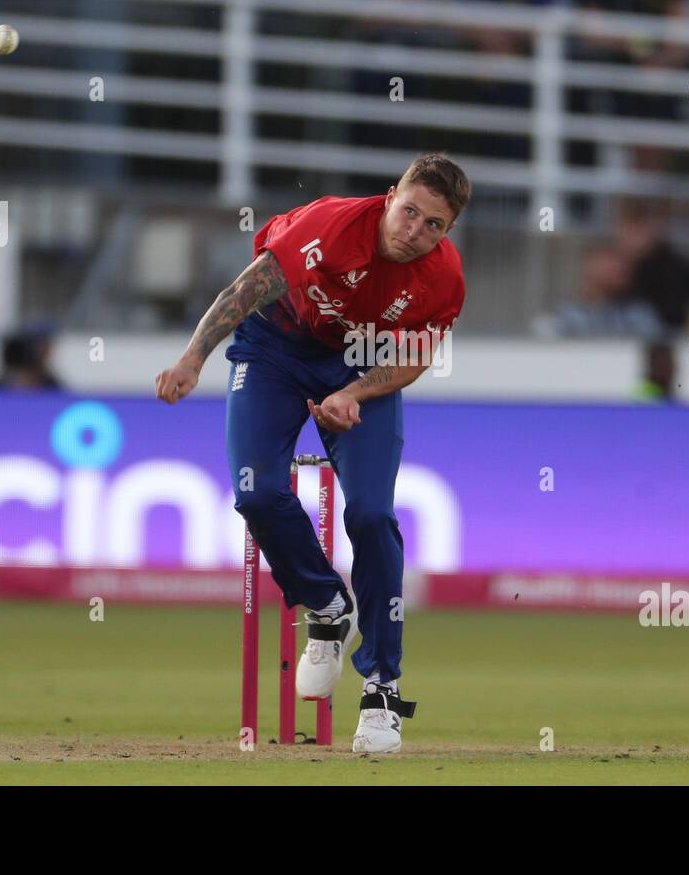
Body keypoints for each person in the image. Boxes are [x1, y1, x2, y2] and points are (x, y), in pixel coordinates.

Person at [155, 154, 469, 754]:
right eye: (409, 212)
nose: (415, 232)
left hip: (359, 362)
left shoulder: (444, 277)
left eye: (434, 225)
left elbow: (414, 356)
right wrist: (193, 357)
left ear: (447, 230)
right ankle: (327, 605)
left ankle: (381, 688)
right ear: (389, 197)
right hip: (275, 347)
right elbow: (245, 289)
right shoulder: (329, 227)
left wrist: (352, 392)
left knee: (372, 515)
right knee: (256, 492)